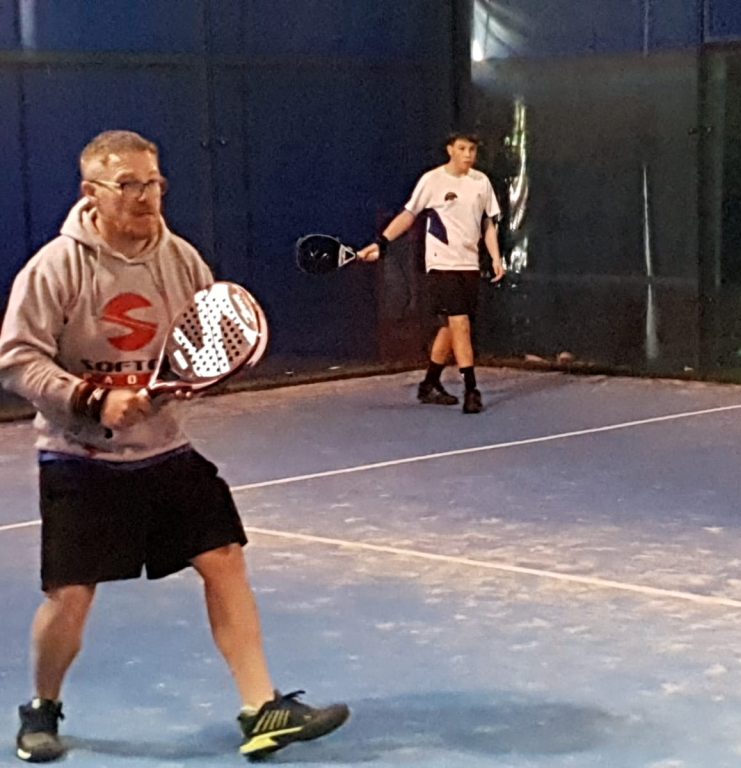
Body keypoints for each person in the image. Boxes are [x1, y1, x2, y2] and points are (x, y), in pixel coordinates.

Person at [0, 130, 349, 763]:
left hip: (164, 452)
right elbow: (17, 360)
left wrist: (191, 381)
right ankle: (42, 708)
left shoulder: (182, 259)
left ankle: (261, 708)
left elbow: (206, 340)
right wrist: (92, 399)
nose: (145, 196)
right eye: (127, 185)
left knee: (223, 557)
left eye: (153, 182)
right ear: (91, 192)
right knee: (71, 594)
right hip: (79, 458)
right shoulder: (55, 267)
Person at [359, 130, 505, 414]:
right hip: (441, 263)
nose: (468, 155)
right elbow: (408, 214)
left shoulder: (481, 182)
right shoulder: (432, 180)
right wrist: (381, 243)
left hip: (469, 264)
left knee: (451, 326)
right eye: (462, 148)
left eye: (472, 150)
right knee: (460, 323)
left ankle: (429, 383)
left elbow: (488, 223)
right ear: (450, 149)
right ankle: (471, 390)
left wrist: (496, 257)